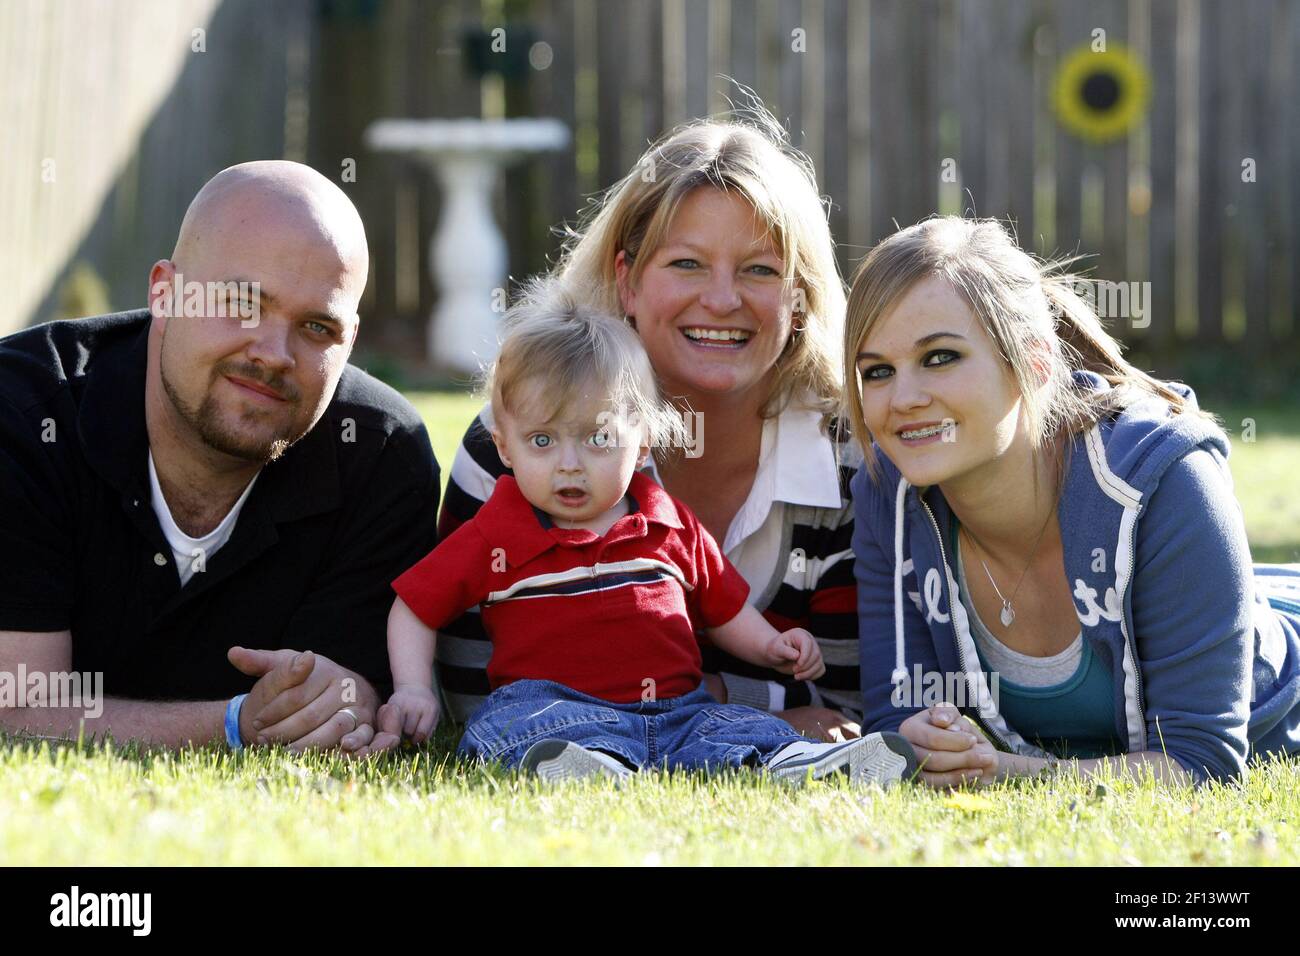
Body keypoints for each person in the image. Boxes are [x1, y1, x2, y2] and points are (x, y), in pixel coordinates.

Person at [368, 284, 916, 784]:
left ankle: (804, 765)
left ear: (646, 439)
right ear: (504, 446)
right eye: (541, 441)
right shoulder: (495, 530)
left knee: (736, 729)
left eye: (599, 437)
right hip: (555, 704)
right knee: (511, 723)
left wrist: (771, 645)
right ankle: (584, 767)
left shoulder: (668, 520)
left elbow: (723, 609)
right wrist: (414, 687)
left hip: (677, 708)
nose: (569, 465)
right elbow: (415, 606)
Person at [435, 105, 864, 741]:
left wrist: (704, 705)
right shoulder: (518, 441)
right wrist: (723, 703)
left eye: (760, 270)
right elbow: (475, 692)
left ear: (799, 298)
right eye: (686, 264)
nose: (722, 300)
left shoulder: (846, 461)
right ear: (628, 282)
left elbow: (842, 703)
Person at [844, 215, 1300, 786]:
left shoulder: (1168, 481)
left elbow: (1200, 762)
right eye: (878, 371)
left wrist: (1006, 771)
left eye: (940, 357)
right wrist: (922, 743)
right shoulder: (888, 493)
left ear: (1033, 364)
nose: (903, 399)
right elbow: (895, 722)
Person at [0, 161, 440, 753]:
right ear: (164, 292)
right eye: (242, 301)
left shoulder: (381, 457)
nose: (274, 353)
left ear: (349, 343)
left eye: (316, 327)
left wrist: (342, 705)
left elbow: (341, 699)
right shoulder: (25, 415)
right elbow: (18, 710)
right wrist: (236, 724)